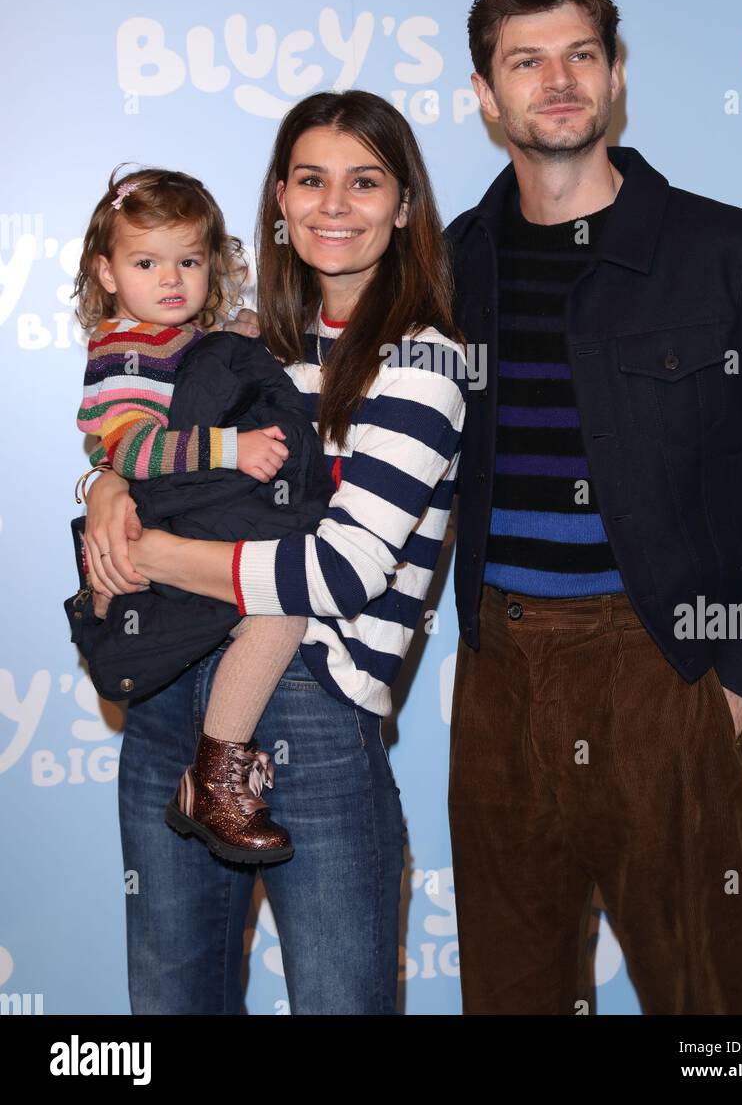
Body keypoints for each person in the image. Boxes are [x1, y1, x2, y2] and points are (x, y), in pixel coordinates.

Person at [443, 0, 742, 1015]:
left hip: (662, 665)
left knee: (707, 1006)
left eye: (578, 54)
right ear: (484, 96)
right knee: (511, 995)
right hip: (498, 673)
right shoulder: (451, 269)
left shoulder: (727, 254)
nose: (556, 80)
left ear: (615, 73)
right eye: (524, 61)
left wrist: (734, 677)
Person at [82, 91, 467, 1014]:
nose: (335, 205)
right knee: (170, 1003)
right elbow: (144, 448)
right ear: (281, 204)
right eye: (311, 181)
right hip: (174, 689)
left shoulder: (422, 362)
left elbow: (335, 574)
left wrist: (157, 551)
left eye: (365, 182)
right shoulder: (242, 343)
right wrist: (103, 487)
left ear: (405, 206)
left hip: (316, 709)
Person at [74, 165, 318, 862]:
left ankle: (215, 774)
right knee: (279, 612)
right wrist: (231, 449)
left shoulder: (175, 338)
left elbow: (201, 383)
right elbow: (134, 450)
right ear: (108, 271)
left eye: (189, 261)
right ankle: (216, 772)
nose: (172, 279)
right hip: (162, 555)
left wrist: (238, 339)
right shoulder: (126, 346)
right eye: (147, 262)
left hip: (186, 543)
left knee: (277, 611)